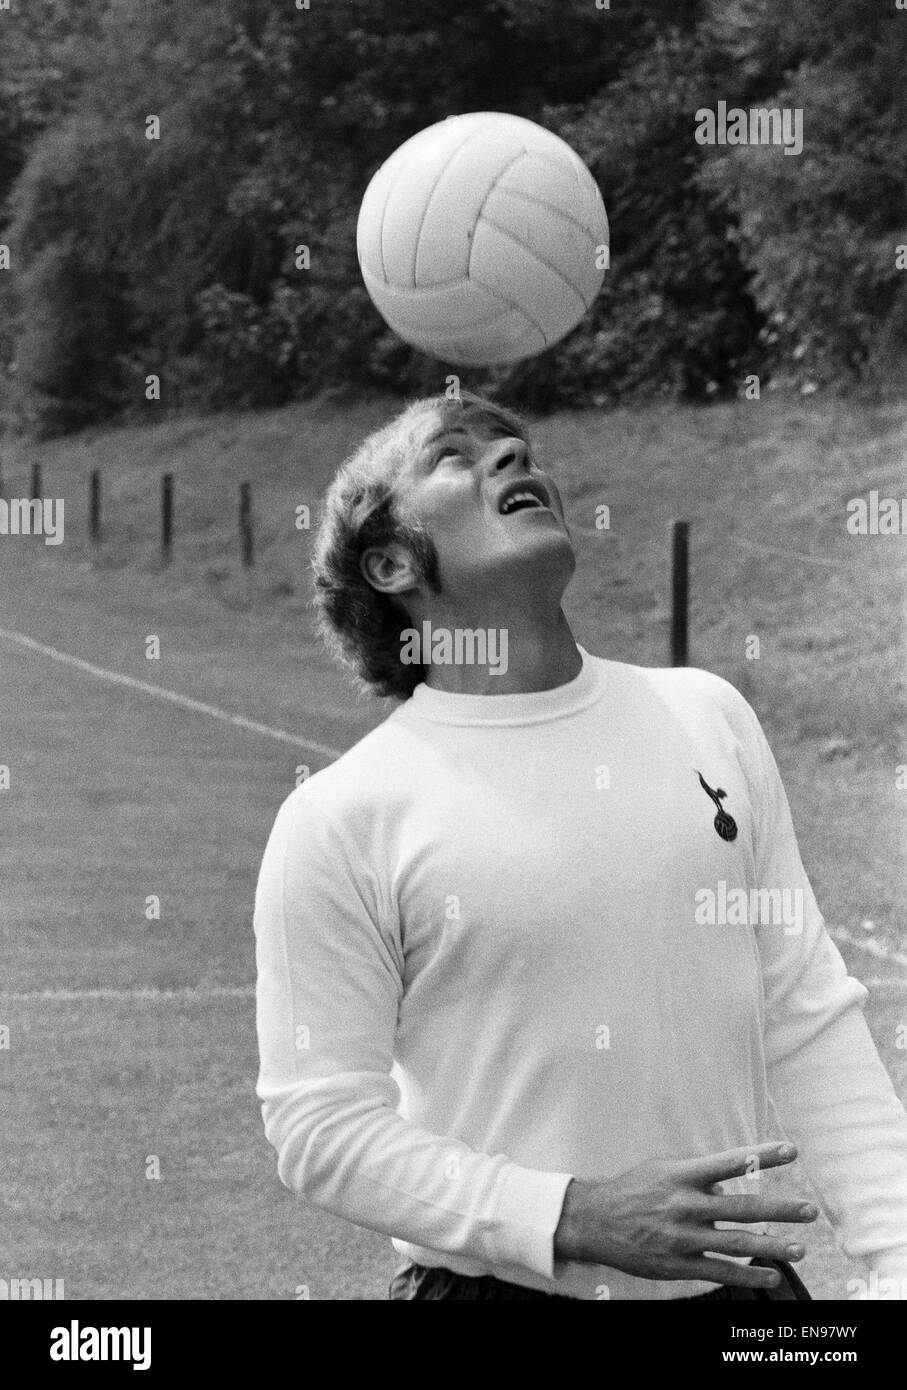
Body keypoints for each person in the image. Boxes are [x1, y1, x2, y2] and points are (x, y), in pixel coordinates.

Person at [253, 390, 907, 1300]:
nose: (512, 458)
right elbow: (318, 1127)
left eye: (515, 446)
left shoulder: (705, 714)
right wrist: (569, 1214)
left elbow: (802, 1014)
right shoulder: (343, 816)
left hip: (745, 1301)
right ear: (392, 560)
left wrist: (895, 1258)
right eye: (453, 455)